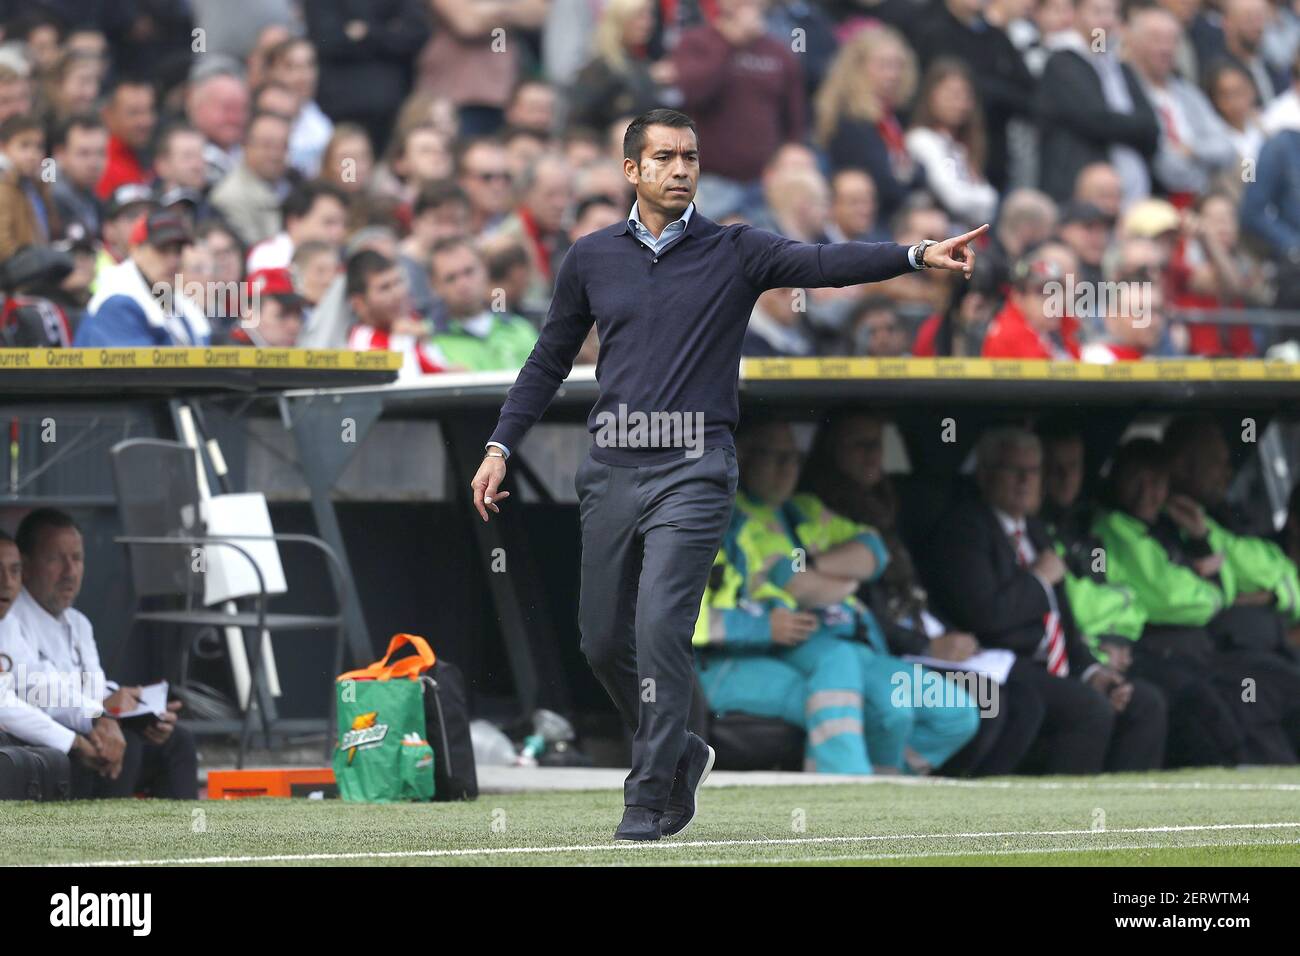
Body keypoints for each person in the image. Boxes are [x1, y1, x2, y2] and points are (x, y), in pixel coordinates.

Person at [469, 108, 987, 842]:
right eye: (665, 157)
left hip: (695, 467)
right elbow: (548, 359)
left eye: (690, 156)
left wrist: (915, 254)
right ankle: (681, 749)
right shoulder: (590, 258)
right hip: (611, 467)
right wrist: (499, 445)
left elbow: (823, 263)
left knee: (660, 628)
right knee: (600, 642)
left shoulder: (736, 250)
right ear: (631, 170)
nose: (681, 169)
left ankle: (648, 798)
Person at [923, 427, 1169, 773]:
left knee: (1142, 702)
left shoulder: (1035, 530)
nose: (1026, 481)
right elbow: (986, 616)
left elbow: (1063, 621)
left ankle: (1124, 804)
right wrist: (1037, 580)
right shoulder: (965, 529)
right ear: (985, 474)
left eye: (1034, 471)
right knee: (1087, 709)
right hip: (1003, 664)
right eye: (1014, 470)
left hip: (1054, 666)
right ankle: (1065, 806)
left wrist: (1092, 671)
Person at [8, 510, 197, 799]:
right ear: (27, 566)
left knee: (176, 741)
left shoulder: (79, 623)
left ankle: (182, 830)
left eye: (77, 559)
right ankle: (106, 829)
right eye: (56, 559)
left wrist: (136, 705)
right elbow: (37, 692)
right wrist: (102, 714)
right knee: (121, 745)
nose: (70, 571)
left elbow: (94, 686)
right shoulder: (9, 618)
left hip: (86, 723)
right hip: (40, 743)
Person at [0, 531, 112, 781]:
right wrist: (73, 742)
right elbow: (3, 704)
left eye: (14, 571)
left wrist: (96, 718)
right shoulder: (16, 618)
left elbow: (37, 684)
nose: (6, 582)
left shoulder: (6, 625)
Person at [74, 209, 210, 347]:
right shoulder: (117, 302)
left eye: (177, 251)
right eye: (162, 250)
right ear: (136, 250)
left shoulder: (172, 297)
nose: (173, 261)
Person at [427, 237, 538, 370]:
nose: (463, 284)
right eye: (451, 278)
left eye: (469, 271)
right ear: (435, 286)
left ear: (485, 269)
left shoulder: (520, 330)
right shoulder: (426, 340)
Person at [344, 248, 448, 377]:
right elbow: (408, 385)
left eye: (398, 282)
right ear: (359, 304)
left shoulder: (411, 322)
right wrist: (401, 340)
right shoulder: (363, 345)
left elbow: (438, 370)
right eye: (384, 288)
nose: (398, 294)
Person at [0, 114, 60, 259]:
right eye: (24, 146)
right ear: (3, 147)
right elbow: (4, 246)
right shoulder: (4, 189)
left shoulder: (37, 186)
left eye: (39, 147)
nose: (33, 155)